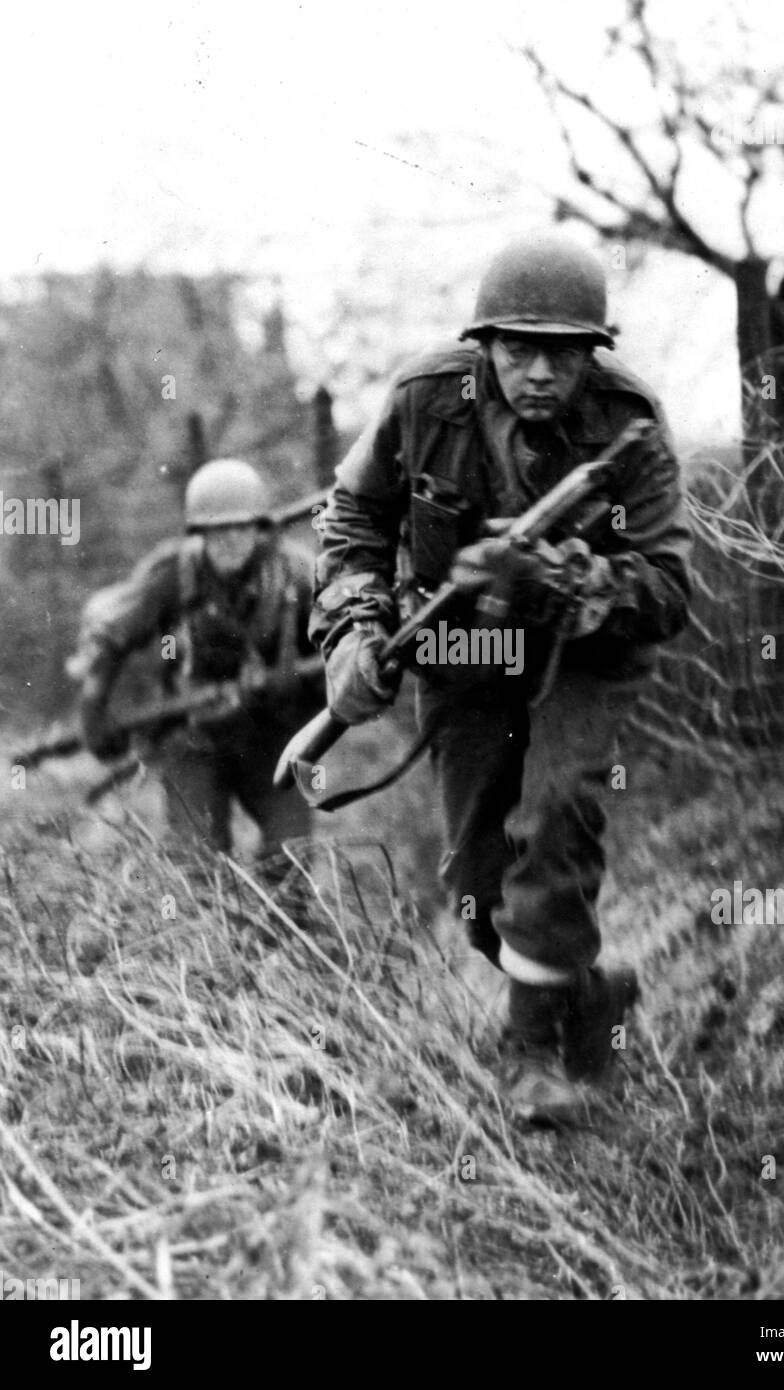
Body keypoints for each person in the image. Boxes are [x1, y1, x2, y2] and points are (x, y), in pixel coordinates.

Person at [313, 234, 692, 1124]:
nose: (536, 374)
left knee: (556, 813)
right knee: (478, 891)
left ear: (592, 353)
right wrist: (355, 630)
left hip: (583, 652)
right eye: (516, 350)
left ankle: (526, 1055)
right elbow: (354, 514)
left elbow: (668, 588)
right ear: (483, 345)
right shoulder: (423, 400)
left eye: (560, 355)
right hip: (461, 648)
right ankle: (585, 993)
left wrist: (557, 579)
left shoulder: (630, 424)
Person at [72, 458, 324, 871]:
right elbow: (111, 638)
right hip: (195, 738)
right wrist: (93, 710)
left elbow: (343, 642)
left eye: (240, 527)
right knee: (196, 862)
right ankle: (213, 933)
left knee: (292, 855)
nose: (230, 540)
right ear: (199, 532)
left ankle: (284, 934)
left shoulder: (297, 574)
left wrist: (298, 681)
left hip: (273, 738)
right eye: (216, 530)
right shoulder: (176, 572)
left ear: (259, 528)